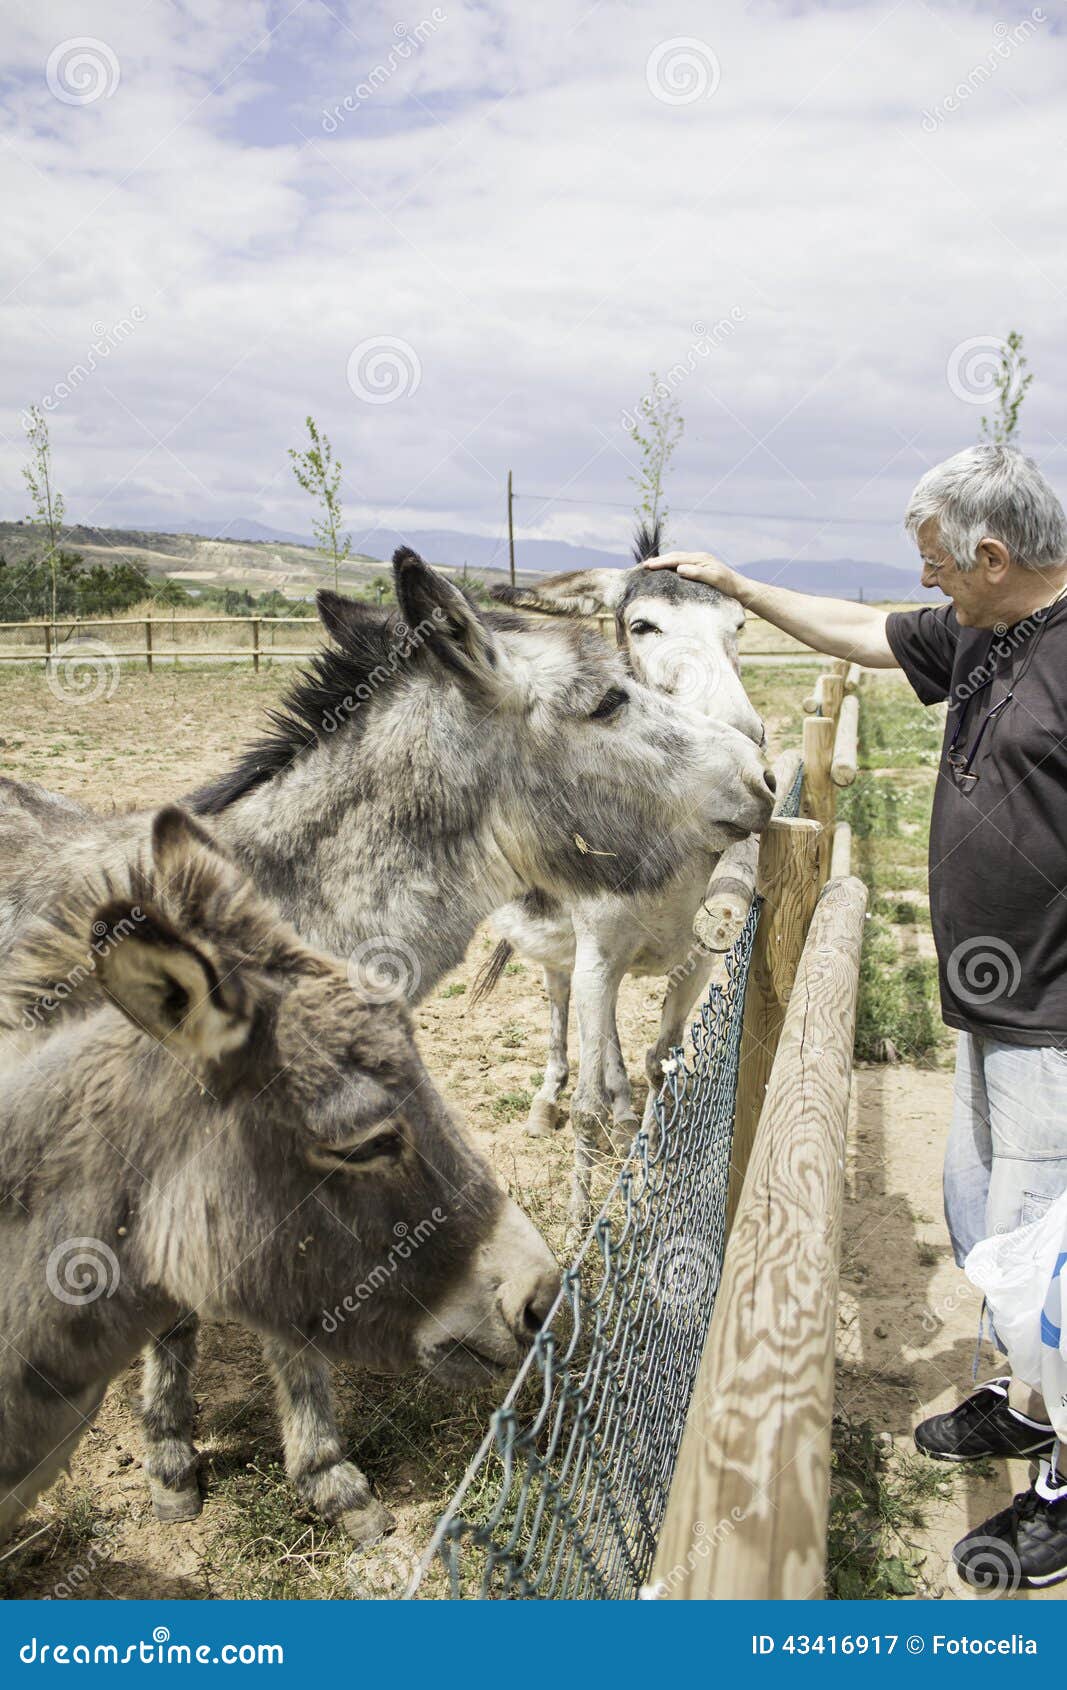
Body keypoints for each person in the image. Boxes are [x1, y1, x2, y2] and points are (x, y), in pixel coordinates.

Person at [647, 443, 1067, 1587]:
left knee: (1051, 1248)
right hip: (993, 1002)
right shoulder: (985, 635)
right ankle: (1030, 1404)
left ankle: (1063, 1488)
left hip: (1055, 1018)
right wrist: (733, 585)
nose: (920, 577)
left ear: (991, 554)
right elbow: (854, 629)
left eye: (933, 559)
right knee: (989, 1215)